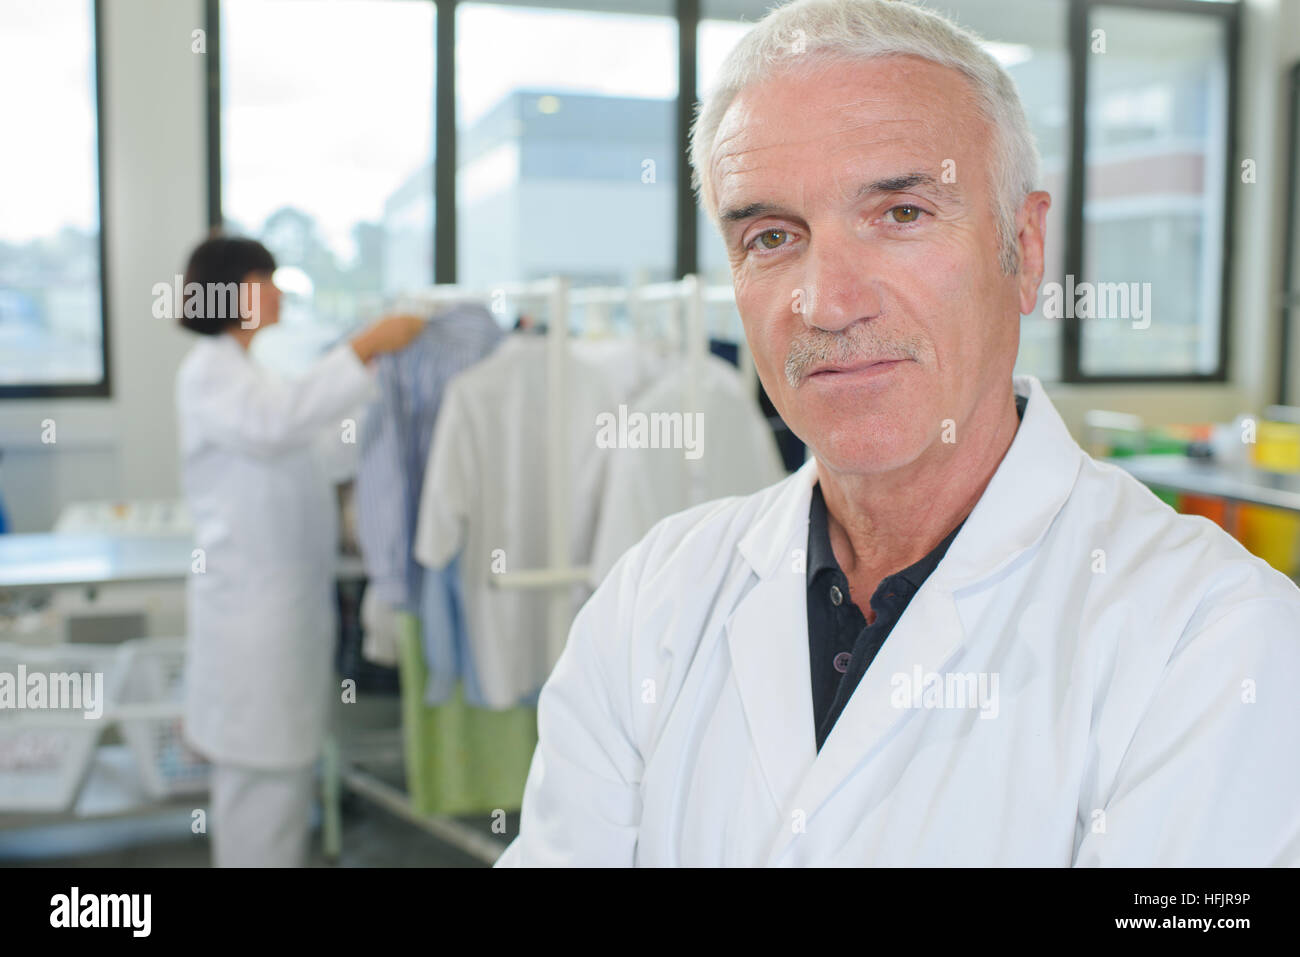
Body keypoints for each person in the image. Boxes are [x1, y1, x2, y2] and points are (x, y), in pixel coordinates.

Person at [497, 0, 1300, 866]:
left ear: (1024, 249)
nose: (829, 302)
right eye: (772, 235)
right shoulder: (651, 598)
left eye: (903, 214)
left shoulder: (1216, 637)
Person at [174, 235, 424, 867]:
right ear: (233, 291)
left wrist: (376, 394)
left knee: (277, 793)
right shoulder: (211, 373)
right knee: (262, 793)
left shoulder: (253, 374)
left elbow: (310, 444)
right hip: (254, 621)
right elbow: (276, 424)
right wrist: (363, 347)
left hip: (279, 611)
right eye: (266, 277)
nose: (278, 291)